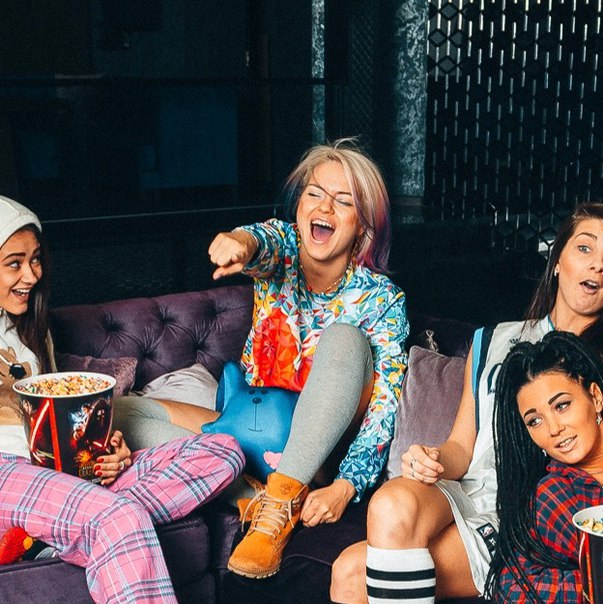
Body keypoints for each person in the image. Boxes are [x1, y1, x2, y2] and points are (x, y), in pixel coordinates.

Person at [114, 138, 409, 579]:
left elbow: (384, 406)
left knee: (346, 338)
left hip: (316, 455)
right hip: (248, 428)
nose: (324, 207)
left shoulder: (382, 299)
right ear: (300, 206)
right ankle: (248, 497)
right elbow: (261, 240)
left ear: (363, 226)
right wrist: (239, 242)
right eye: (314, 193)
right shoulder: (283, 249)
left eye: (343, 201)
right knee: (120, 411)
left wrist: (347, 485)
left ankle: (280, 507)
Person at [330, 201, 603, 603]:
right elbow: (461, 446)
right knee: (391, 503)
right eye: (585, 247)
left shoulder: (595, 366)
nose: (598, 264)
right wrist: (432, 458)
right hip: (466, 490)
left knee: (351, 573)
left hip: (521, 515)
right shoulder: (494, 339)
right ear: (557, 260)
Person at [0, 195, 245, 603]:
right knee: (119, 516)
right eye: (14, 263)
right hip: (6, 474)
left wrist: (103, 448)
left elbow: (57, 420)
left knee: (224, 452)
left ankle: (65, 531)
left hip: (61, 472)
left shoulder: (30, 330)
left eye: (36, 259)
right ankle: (97, 521)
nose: (32, 274)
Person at [486, 330, 603, 602]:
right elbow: (510, 589)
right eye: (535, 421)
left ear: (596, 397)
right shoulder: (552, 496)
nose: (553, 429)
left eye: (562, 405)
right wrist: (591, 584)